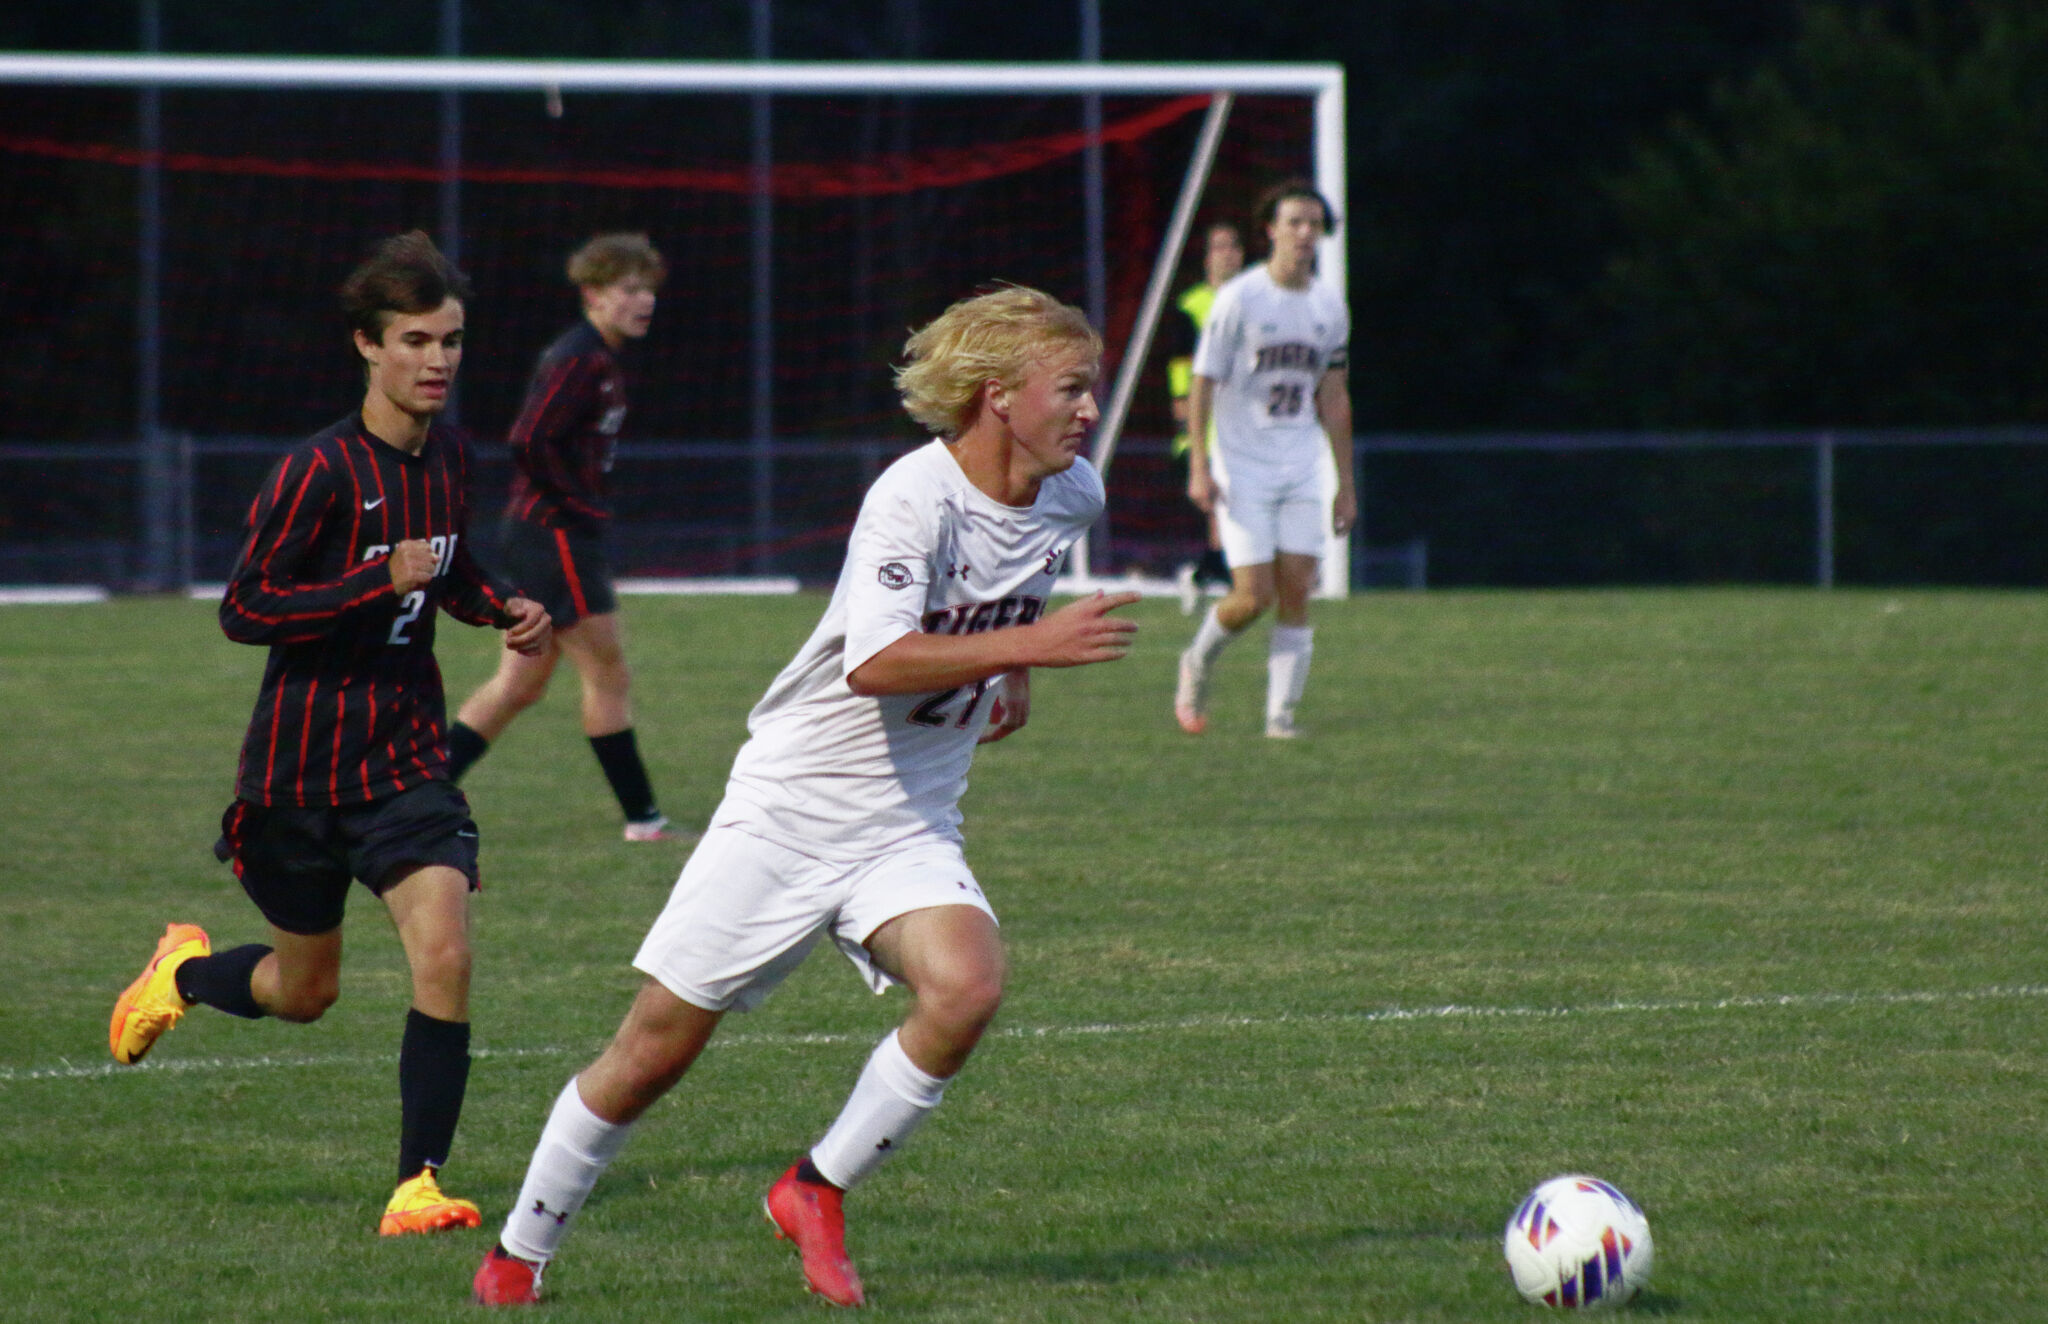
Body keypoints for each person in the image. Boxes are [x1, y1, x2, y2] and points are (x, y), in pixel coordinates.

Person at [471, 285, 1140, 1308]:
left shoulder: (1071, 494)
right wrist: (1032, 645)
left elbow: (1009, 596)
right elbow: (874, 661)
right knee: (654, 1049)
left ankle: (812, 1188)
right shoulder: (910, 497)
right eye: (1073, 387)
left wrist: (1012, 670)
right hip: (791, 806)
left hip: (907, 817)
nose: (1089, 408)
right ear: (998, 395)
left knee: (966, 988)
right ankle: (518, 1252)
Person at [107, 231, 552, 1236]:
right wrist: (368, 579)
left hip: (405, 763)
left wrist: (501, 606)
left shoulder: (449, 458)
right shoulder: (313, 472)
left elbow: (449, 562)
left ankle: (416, 1185)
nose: (437, 360)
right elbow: (245, 608)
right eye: (415, 340)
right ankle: (182, 973)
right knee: (302, 993)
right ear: (366, 345)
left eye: (451, 341)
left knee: (445, 950)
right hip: (297, 776)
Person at [445, 233, 675, 842]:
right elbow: (529, 437)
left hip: (544, 534)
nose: (644, 300)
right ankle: (645, 822)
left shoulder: (600, 356)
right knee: (609, 675)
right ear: (593, 294)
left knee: (519, 684)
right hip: (555, 536)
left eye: (649, 288)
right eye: (629, 289)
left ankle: (418, 796)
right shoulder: (580, 357)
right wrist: (575, 504)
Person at [1175, 179, 1356, 739]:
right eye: (1294, 222)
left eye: (1313, 224)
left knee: (1298, 588)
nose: (1305, 233)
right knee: (1253, 597)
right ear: (1271, 230)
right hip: (1242, 463)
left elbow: (1333, 394)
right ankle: (1196, 661)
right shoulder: (1240, 300)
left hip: (1302, 462)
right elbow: (1203, 383)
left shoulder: (1329, 305)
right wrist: (1200, 466)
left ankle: (1280, 719)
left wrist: (1345, 483)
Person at [1167, 219, 1246, 614]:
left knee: (1231, 509)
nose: (1228, 254)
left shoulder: (1252, 302)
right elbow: (1181, 366)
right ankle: (1220, 577)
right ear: (1207, 257)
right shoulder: (1191, 306)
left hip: (1245, 423)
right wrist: (1184, 417)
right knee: (1221, 506)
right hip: (1207, 426)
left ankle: (1204, 574)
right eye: (1220, 246)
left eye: (1233, 245)